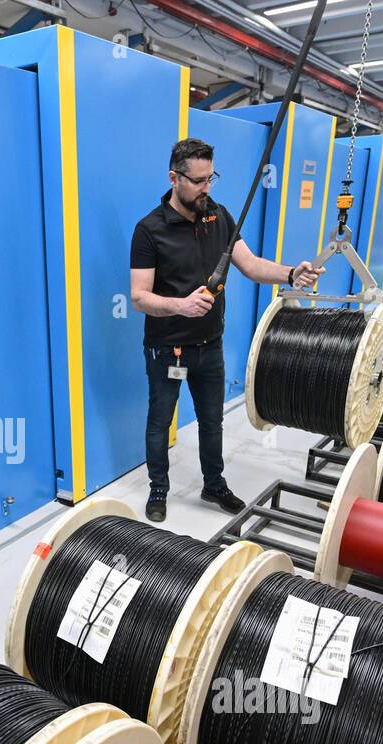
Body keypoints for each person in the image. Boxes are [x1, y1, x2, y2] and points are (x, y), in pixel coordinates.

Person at [130, 137, 323, 522]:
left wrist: (289, 273)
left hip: (209, 346)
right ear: (174, 178)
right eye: (199, 181)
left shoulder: (219, 216)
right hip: (167, 349)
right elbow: (138, 297)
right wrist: (180, 306)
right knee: (160, 422)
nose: (207, 188)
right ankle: (158, 488)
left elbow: (250, 265)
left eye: (211, 178)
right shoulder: (149, 230)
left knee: (212, 421)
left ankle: (213, 485)